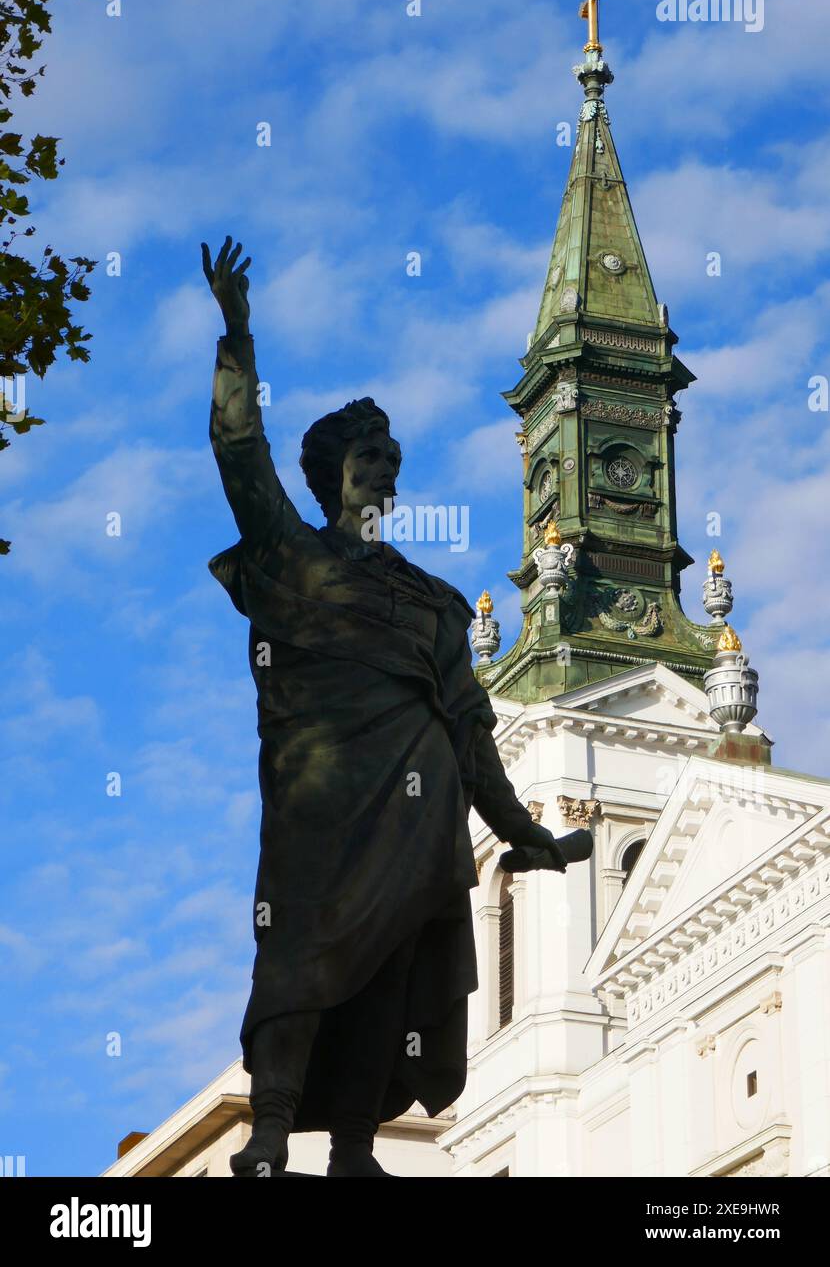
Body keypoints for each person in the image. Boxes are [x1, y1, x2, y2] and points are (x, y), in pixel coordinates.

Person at [203, 236, 573, 1177]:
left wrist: (521, 828)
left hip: (420, 813)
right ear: (335, 473)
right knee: (300, 952)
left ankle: (357, 1148)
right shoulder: (291, 554)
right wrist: (237, 335)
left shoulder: (436, 602)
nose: (387, 474)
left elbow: (471, 726)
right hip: (321, 799)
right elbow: (238, 451)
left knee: (392, 965)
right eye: (371, 458)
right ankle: (276, 1128)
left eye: (395, 460)